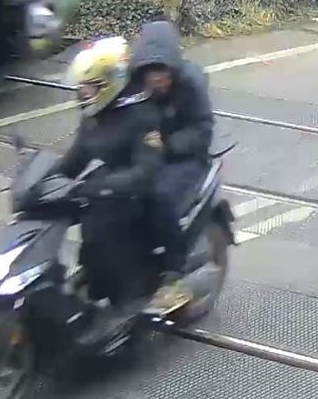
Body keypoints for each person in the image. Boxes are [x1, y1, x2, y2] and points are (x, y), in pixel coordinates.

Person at [48, 36, 165, 339]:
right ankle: (95, 281)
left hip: (139, 195)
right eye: (81, 88)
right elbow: (76, 157)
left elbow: (146, 170)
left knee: (103, 228)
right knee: (83, 221)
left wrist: (103, 186)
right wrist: (42, 180)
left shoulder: (142, 115)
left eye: (89, 88)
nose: (82, 95)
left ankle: (128, 302)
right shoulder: (95, 116)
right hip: (106, 188)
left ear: (110, 84)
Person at [127, 20, 215, 309]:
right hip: (146, 155)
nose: (157, 80)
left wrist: (167, 143)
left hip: (186, 160)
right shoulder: (132, 83)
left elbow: (203, 131)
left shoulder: (192, 82)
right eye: (151, 73)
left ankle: (174, 274)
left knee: (160, 195)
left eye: (162, 72)